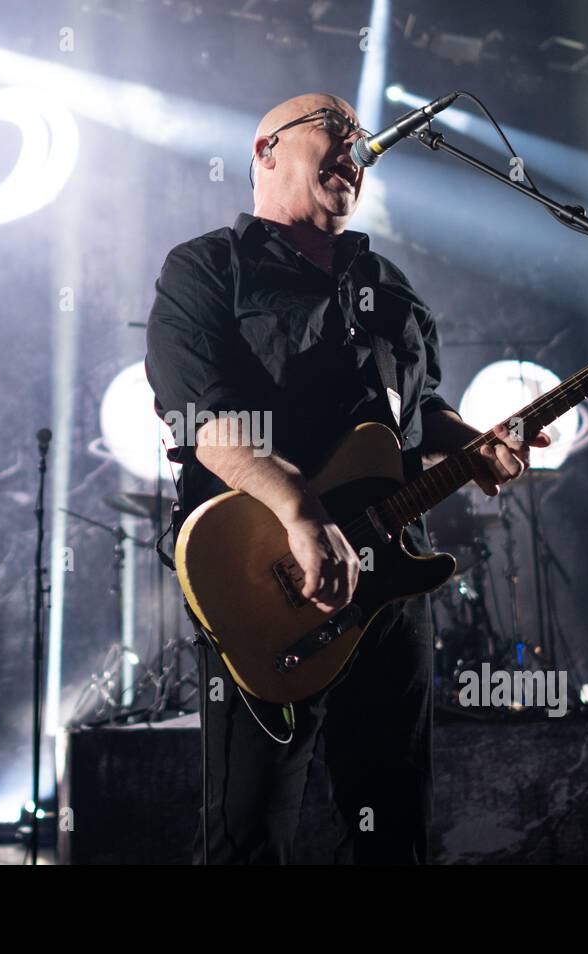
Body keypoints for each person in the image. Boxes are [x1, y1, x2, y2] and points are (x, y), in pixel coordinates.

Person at [145, 92, 547, 864]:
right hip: (262, 579)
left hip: (389, 587)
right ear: (267, 149)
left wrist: (478, 445)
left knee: (394, 824)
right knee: (251, 827)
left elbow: (415, 416)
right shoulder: (207, 269)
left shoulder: (389, 287)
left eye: (363, 138)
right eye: (338, 128)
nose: (357, 147)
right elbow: (204, 420)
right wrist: (298, 508)